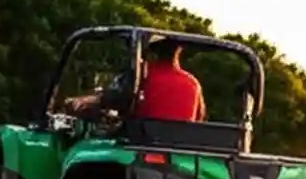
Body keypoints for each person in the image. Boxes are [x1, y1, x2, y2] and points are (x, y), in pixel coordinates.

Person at [63, 38, 206, 122]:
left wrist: (86, 100)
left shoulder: (143, 77)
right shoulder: (192, 83)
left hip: (144, 143)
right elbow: (199, 117)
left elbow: (116, 97)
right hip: (180, 150)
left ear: (152, 54)